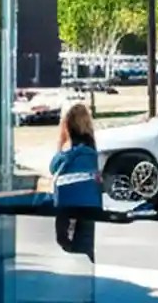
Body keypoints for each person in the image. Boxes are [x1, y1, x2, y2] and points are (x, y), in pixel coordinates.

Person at [50, 103, 103, 262]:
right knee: (85, 246)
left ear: (66, 126)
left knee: (65, 242)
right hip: (91, 206)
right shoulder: (93, 153)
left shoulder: (67, 153)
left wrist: (60, 143)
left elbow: (53, 167)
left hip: (67, 206)